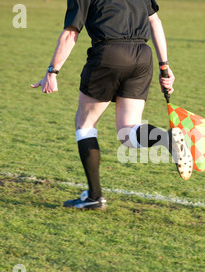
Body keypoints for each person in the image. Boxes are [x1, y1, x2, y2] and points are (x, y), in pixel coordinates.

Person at [31, 0, 193, 211]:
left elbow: (71, 33)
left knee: (85, 125)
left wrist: (52, 72)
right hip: (142, 56)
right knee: (128, 132)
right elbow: (154, 21)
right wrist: (164, 67)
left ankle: (95, 197)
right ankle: (166, 138)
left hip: (109, 54)